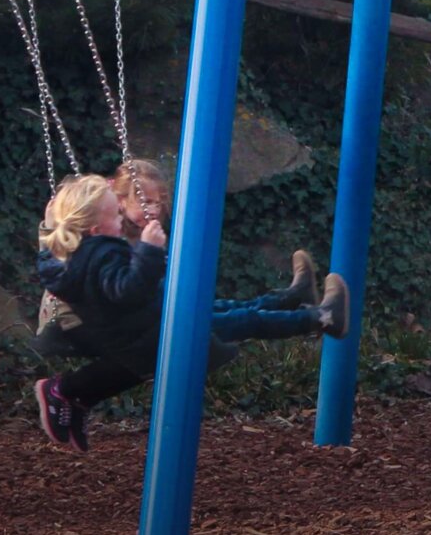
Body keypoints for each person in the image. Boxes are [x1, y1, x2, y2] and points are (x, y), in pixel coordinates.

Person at [32, 173, 348, 454]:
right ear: (95, 227)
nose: (121, 220)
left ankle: (294, 300)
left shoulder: (76, 254)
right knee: (239, 320)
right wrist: (150, 251)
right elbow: (126, 290)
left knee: (230, 312)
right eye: (116, 214)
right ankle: (319, 318)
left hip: (154, 321)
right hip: (152, 332)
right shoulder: (100, 253)